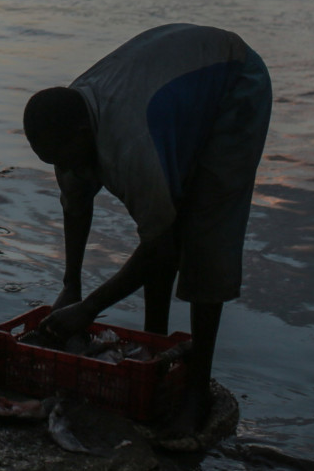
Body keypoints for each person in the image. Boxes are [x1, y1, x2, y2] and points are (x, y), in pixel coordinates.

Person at [21, 23, 272, 435]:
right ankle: (154, 354)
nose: (62, 168)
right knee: (161, 223)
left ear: (83, 135)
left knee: (206, 239)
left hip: (234, 81)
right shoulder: (65, 127)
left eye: (64, 158)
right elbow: (76, 206)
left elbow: (161, 247)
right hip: (175, 89)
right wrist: (71, 285)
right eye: (51, 162)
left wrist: (89, 308)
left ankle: (195, 394)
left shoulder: (133, 145)